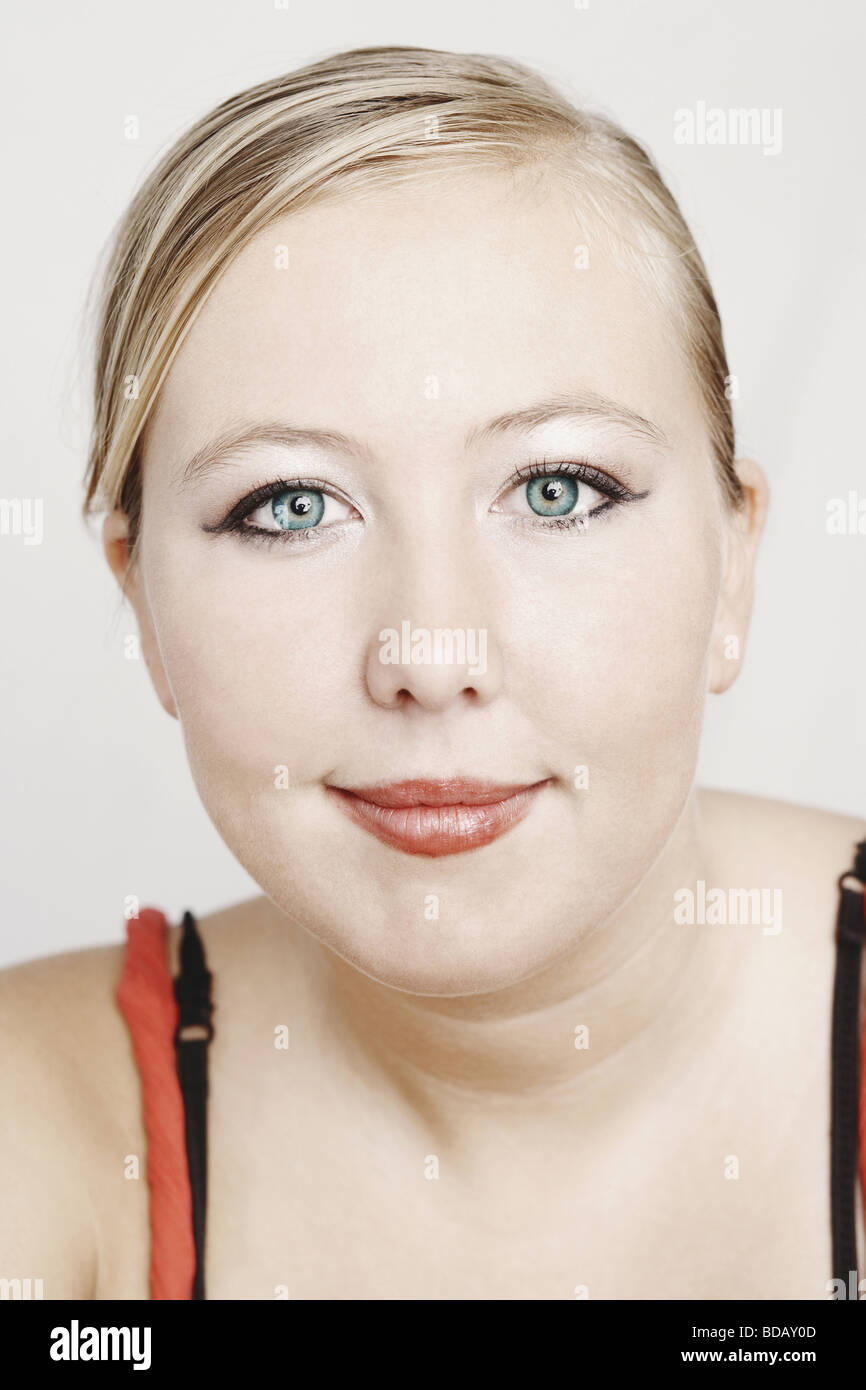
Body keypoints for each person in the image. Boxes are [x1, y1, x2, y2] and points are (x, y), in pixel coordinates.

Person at [2, 44, 864, 1301]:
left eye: (556, 491)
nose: (428, 654)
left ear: (731, 564)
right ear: (140, 599)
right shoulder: (39, 1124)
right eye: (290, 505)